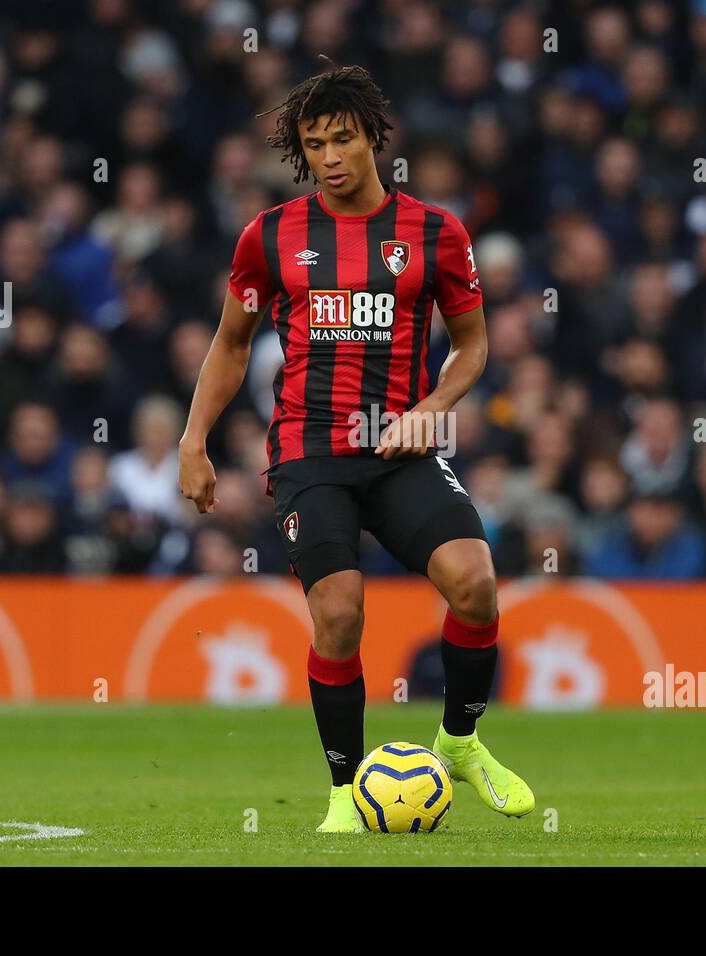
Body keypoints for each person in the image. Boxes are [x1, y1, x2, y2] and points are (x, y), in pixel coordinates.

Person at [177, 62, 533, 832]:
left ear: (373, 136)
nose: (331, 156)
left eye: (343, 139)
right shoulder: (269, 236)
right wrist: (193, 440)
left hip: (400, 446)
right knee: (339, 616)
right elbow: (231, 345)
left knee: (475, 583)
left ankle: (462, 744)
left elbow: (472, 348)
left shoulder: (437, 233)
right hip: (309, 453)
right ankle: (345, 793)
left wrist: (433, 408)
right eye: (315, 144)